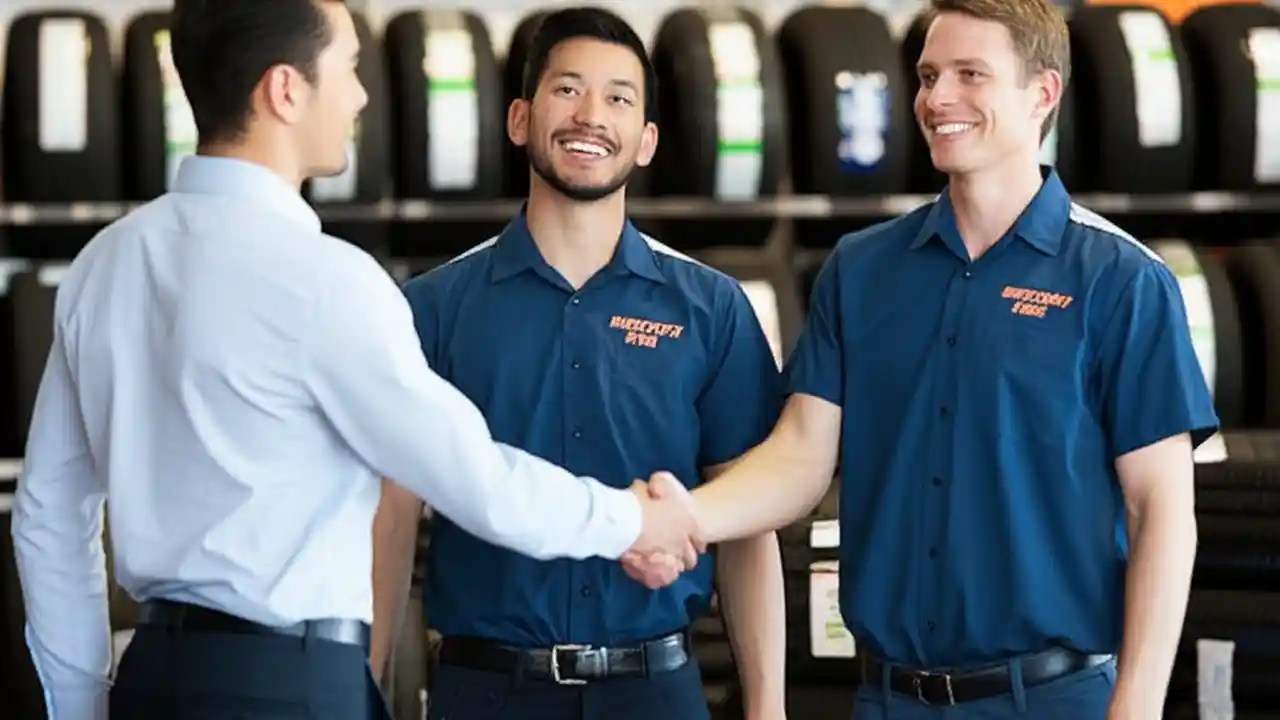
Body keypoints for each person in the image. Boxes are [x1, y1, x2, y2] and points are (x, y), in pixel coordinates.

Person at [9, 2, 703, 719]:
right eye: (346, 67)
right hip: (292, 685)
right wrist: (629, 519)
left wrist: (81, 701)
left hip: (152, 676)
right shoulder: (328, 281)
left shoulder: (105, 265)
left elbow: (48, 517)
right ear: (285, 90)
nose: (362, 96)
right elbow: (476, 481)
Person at [628, 0, 1219, 717]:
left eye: (970, 74)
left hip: (1054, 699)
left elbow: (1161, 509)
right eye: (928, 75)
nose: (937, 99)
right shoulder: (861, 271)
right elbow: (800, 460)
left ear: (1043, 94)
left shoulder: (1121, 282)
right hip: (889, 698)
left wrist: (1137, 705)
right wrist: (686, 514)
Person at [373, 8, 788, 719]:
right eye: (567, 90)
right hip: (485, 691)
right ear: (518, 119)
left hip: (656, 690)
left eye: (619, 98)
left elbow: (748, 522)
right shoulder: (430, 310)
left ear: (648, 140)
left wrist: (768, 706)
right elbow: (391, 521)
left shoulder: (711, 309)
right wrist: (366, 689)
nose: (591, 116)